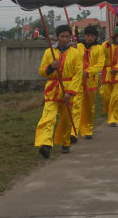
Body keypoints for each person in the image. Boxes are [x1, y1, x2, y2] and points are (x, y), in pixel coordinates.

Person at [35, 24, 82, 157]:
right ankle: (46, 144)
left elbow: (78, 74)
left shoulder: (75, 53)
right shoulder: (49, 52)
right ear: (57, 37)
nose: (65, 39)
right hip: (52, 89)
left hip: (68, 90)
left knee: (66, 119)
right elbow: (42, 71)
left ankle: (65, 142)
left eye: (67, 37)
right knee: (48, 117)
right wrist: (50, 67)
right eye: (62, 36)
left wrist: (70, 91)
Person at [73, 24, 106, 139]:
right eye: (88, 35)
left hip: (91, 81)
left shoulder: (99, 48)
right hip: (77, 82)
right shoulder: (77, 46)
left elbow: (100, 64)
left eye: (92, 36)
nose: (90, 38)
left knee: (89, 107)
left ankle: (87, 129)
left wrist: (87, 72)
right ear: (84, 35)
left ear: (95, 36)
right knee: (76, 105)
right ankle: (74, 131)